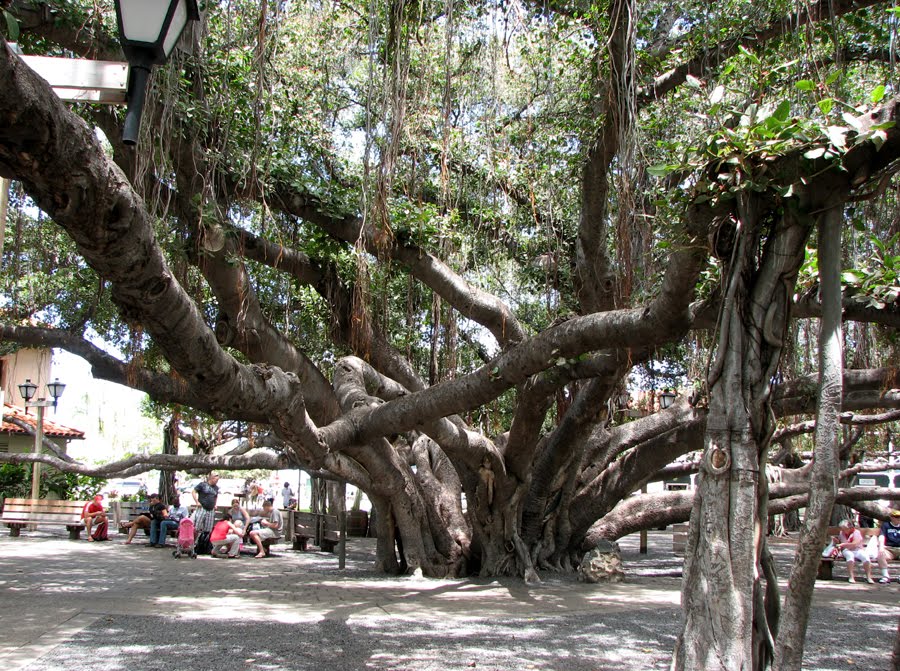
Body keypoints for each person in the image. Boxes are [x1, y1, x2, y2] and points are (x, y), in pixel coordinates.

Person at [836, 518, 875, 584]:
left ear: (849, 528)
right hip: (846, 550)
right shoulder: (841, 533)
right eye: (842, 528)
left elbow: (854, 544)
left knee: (865, 557)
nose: (842, 530)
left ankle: (869, 577)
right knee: (850, 556)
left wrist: (843, 544)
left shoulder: (856, 532)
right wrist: (836, 541)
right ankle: (851, 577)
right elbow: (840, 542)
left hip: (857, 549)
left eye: (844, 529)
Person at [191, 472, 220, 539]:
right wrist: (197, 502)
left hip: (211, 509)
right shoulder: (203, 485)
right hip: (202, 508)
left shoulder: (216, 488)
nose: (217, 481)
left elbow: (215, 496)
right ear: (212, 478)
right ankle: (192, 542)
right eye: (216, 480)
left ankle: (204, 544)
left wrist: (215, 504)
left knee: (208, 530)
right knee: (197, 527)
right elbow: (193, 491)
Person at [875, 509, 900, 584]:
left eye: (899, 517)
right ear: (891, 517)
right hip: (889, 549)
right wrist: (881, 547)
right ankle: (885, 576)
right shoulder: (886, 525)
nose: (898, 519)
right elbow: (882, 536)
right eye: (896, 517)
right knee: (880, 555)